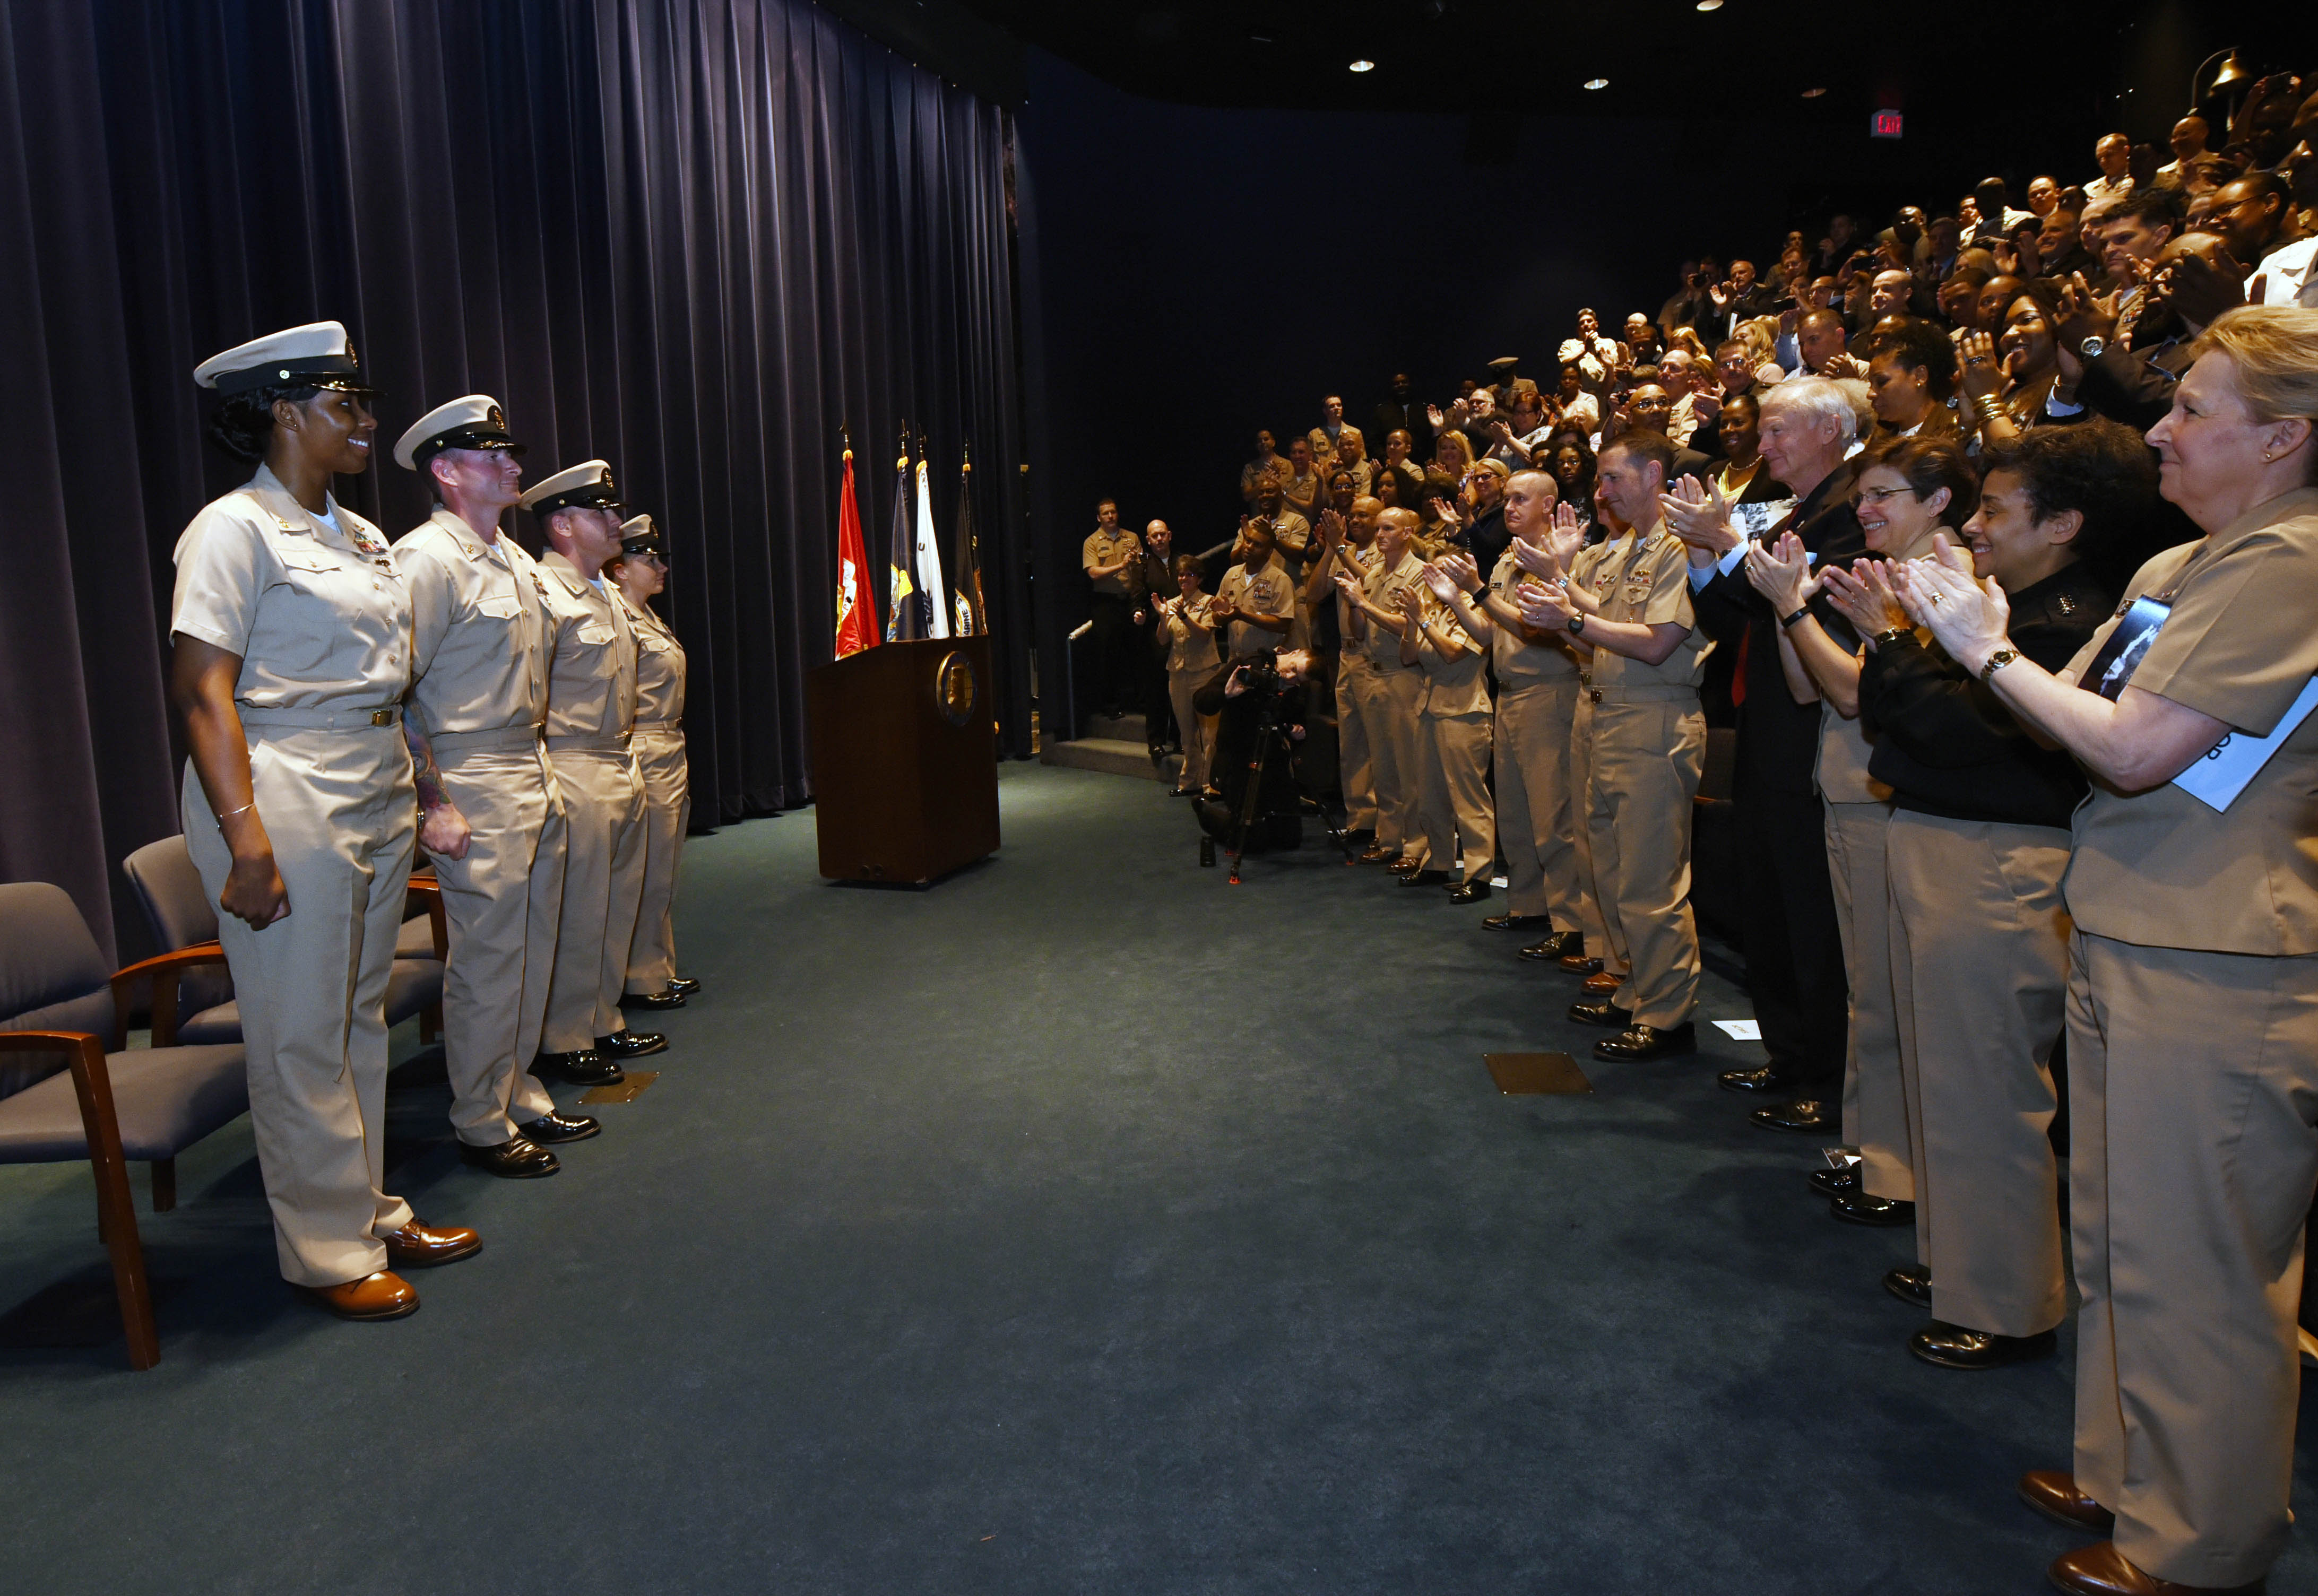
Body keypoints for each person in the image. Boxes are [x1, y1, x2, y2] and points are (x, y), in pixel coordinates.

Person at [1892, 306, 2318, 1596]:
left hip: (2224, 952)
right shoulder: (2185, 566)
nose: (2160, 428)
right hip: (2132, 919)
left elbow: (2132, 748)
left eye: (2194, 408)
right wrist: (1990, 648)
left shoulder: (2288, 563)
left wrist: (1982, 644)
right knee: (2126, 1229)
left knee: (2206, 1261)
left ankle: (2203, 1540)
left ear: (2288, 436)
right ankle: (2127, 1468)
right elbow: (2066, 718)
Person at [170, 322, 478, 1321]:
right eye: (345, 405)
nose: (365, 422)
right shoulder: (233, 529)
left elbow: (389, 681)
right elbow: (203, 693)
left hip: (372, 775)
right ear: (283, 412)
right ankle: (323, 1248)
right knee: (300, 1030)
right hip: (284, 782)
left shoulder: (361, 535)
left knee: (354, 1019)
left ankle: (367, 1209)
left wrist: (420, 788)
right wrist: (245, 836)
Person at [1837, 427, 2131, 1376]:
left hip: (1999, 859)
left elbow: (1957, 732)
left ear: (2062, 524)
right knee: (1944, 1077)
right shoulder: (2005, 606)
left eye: (1995, 509)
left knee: (1987, 1090)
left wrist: (1893, 640)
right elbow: (1896, 716)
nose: (1974, 524)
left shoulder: (2058, 619)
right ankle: (1960, 1265)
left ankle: (2006, 1303)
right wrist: (1907, 652)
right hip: (1949, 844)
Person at [1745, 437, 1976, 1243]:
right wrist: (1791, 604)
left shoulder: (1942, 577)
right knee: (1870, 988)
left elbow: (1849, 694)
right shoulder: (1886, 576)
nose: (1867, 511)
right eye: (1864, 497)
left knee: (1890, 990)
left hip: (1887, 794)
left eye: (1885, 496)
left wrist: (1792, 606)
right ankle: (1877, 1149)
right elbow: (1810, 685)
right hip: (1848, 789)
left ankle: (1901, 1167)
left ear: (1938, 500)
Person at [391, 395, 595, 1182]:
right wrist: (431, 801)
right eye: (491, 455)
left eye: (510, 453)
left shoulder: (511, 558)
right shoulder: (427, 561)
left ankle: (518, 1088)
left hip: (530, 763)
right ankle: (479, 1117)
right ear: (446, 472)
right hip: (470, 770)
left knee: (535, 940)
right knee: (488, 956)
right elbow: (400, 689)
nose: (514, 466)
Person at [1665, 377, 1866, 1131]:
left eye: (1780, 430)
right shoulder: (1798, 511)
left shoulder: (1850, 508)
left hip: (1815, 732)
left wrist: (1728, 545)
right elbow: (1740, 616)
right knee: (1771, 901)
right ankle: (1789, 1056)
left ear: (1831, 430)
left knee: (1810, 908)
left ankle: (1824, 1072)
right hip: (1767, 725)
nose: (1765, 444)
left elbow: (1808, 604)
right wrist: (1702, 555)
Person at [1518, 430, 1711, 1063]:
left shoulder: (1681, 547)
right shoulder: (1634, 551)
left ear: (1653, 474)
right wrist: (1563, 593)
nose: (1601, 491)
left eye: (1612, 478)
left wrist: (1570, 618)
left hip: (1654, 720)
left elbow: (1656, 642)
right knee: (1613, 867)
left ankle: (1667, 1011)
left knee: (1651, 877)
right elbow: (1607, 621)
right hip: (1611, 718)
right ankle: (1636, 986)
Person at [519, 459, 666, 1087]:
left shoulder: (605, 592)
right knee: (578, 909)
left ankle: (601, 1015)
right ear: (562, 526)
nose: (614, 521)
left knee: (614, 901)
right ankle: (563, 1034)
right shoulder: (544, 592)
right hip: (573, 758)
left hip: (618, 756)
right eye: (600, 512)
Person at [1429, 473, 1589, 952]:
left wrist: (1478, 592)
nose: (1510, 508)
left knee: (1553, 813)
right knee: (1518, 814)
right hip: (1511, 693)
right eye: (1509, 500)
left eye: (1521, 500)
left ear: (1549, 505)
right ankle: (1528, 905)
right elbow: (1489, 636)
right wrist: (1458, 601)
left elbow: (1534, 630)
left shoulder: (1563, 560)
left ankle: (1569, 921)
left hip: (1549, 692)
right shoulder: (1506, 559)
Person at [606, 514, 698, 1013]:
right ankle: (636, 977)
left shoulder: (646, 615)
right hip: (642, 748)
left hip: (667, 747)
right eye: (648, 559)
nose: (660, 567)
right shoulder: (617, 615)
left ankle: (654, 967)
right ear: (619, 569)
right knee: (642, 870)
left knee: (662, 870)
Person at [1335, 507, 1428, 868]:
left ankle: (1416, 843)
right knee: (1383, 765)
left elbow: (1409, 626)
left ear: (1407, 533)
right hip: (1371, 674)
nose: (1380, 534)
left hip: (1402, 675)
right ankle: (1388, 837)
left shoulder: (1417, 573)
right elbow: (1358, 633)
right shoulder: (1374, 574)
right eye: (1378, 529)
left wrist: (1364, 604)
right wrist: (1353, 603)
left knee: (1409, 765)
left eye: (1388, 528)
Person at [1400, 559, 1494, 897]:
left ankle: (1479, 874)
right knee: (1431, 796)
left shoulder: (1473, 607)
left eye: (1444, 571)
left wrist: (1423, 619)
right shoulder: (1433, 609)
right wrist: (1413, 621)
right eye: (1433, 571)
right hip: (1429, 707)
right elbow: (1409, 657)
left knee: (1468, 798)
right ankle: (1438, 862)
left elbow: (1454, 652)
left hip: (1464, 710)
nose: (1436, 576)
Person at [1154, 554, 1219, 796]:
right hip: (1178, 673)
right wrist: (1163, 616)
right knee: (1186, 732)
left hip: (1204, 673)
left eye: (1189, 575)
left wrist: (1184, 616)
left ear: (1199, 578)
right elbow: (1162, 640)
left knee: (1209, 734)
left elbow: (1205, 635)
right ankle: (1190, 782)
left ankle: (1209, 784)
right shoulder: (1171, 604)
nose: (1184, 579)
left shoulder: (1209, 601)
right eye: (1181, 574)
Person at [1080, 498, 1140, 720]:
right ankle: (1110, 704)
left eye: (1113, 512)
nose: (1110, 517)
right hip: (1105, 603)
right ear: (1099, 518)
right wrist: (1121, 566)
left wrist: (1134, 563)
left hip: (1130, 600)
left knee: (1136, 650)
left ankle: (1139, 700)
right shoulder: (1092, 542)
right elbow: (1093, 573)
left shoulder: (1131, 538)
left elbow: (1141, 566)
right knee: (1107, 654)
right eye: (1105, 514)